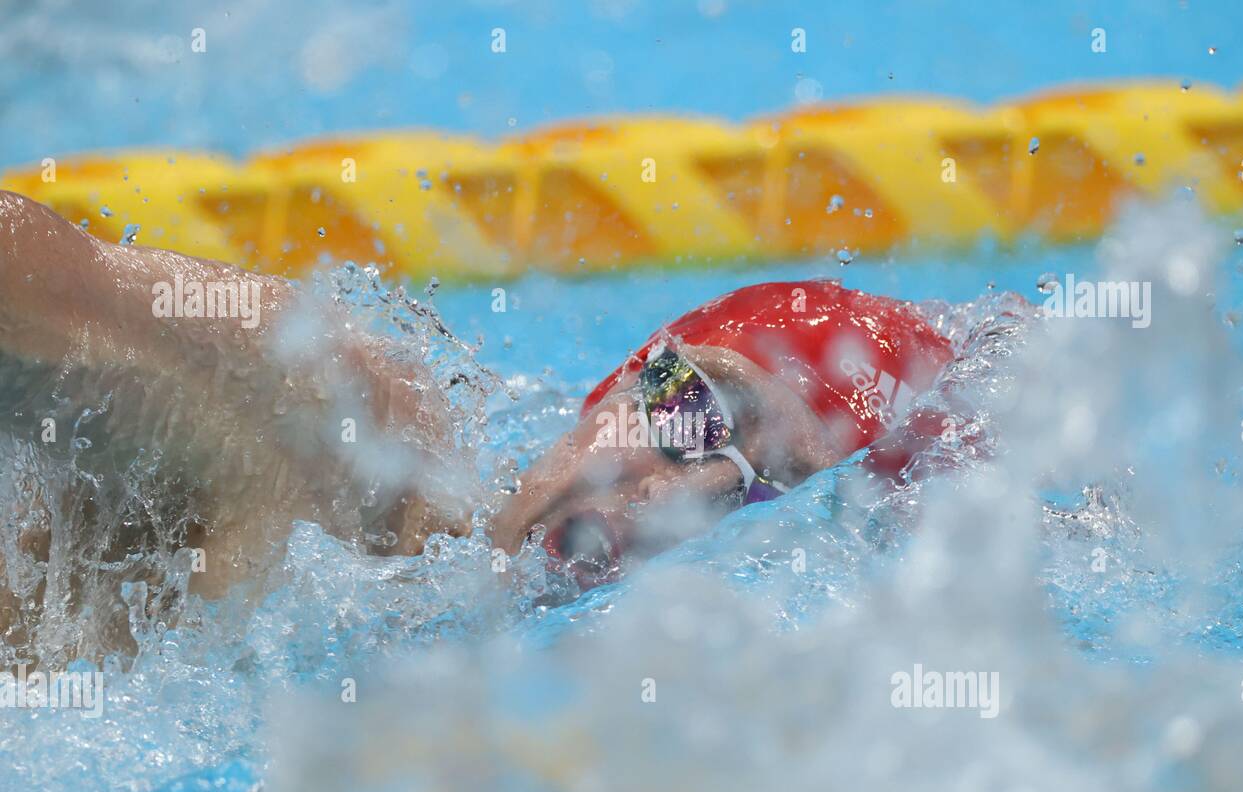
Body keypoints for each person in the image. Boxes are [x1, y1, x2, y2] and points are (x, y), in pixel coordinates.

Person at [0, 190, 956, 651]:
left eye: (758, 489)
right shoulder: (348, 440)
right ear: (630, 384)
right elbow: (52, 276)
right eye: (692, 414)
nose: (662, 488)